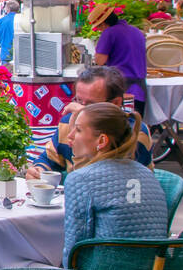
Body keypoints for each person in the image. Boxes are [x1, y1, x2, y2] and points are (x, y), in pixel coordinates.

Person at [61, 102, 168, 258]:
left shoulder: (80, 179)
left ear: (102, 141)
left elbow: (74, 251)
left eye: (77, 130)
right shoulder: (146, 173)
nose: (69, 136)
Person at [27, 65, 153, 180]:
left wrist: (85, 125)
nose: (78, 108)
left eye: (91, 105)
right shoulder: (68, 122)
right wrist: (38, 170)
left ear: (116, 103)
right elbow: (49, 159)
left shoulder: (133, 131)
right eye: (78, 101)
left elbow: (107, 179)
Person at [89, 1, 148, 116]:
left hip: (121, 88)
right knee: (136, 127)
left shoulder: (109, 33)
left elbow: (100, 61)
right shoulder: (136, 31)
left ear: (103, 24)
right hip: (140, 87)